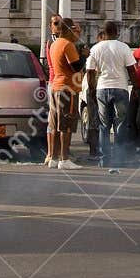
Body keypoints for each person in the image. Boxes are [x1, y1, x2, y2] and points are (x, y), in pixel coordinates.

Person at [84, 21, 138, 171]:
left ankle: (104, 160)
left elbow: (89, 71)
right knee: (120, 124)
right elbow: (131, 70)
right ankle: (119, 158)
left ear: (104, 32)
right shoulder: (124, 47)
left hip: (102, 88)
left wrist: (92, 89)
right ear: (117, 32)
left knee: (104, 126)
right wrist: (136, 88)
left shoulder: (96, 48)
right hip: (120, 88)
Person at [46, 18, 82, 170]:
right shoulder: (68, 45)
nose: (78, 35)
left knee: (55, 125)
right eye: (76, 31)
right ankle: (64, 159)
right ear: (69, 30)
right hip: (67, 89)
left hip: (56, 87)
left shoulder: (54, 44)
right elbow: (76, 67)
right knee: (66, 126)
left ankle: (54, 157)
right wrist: (84, 56)